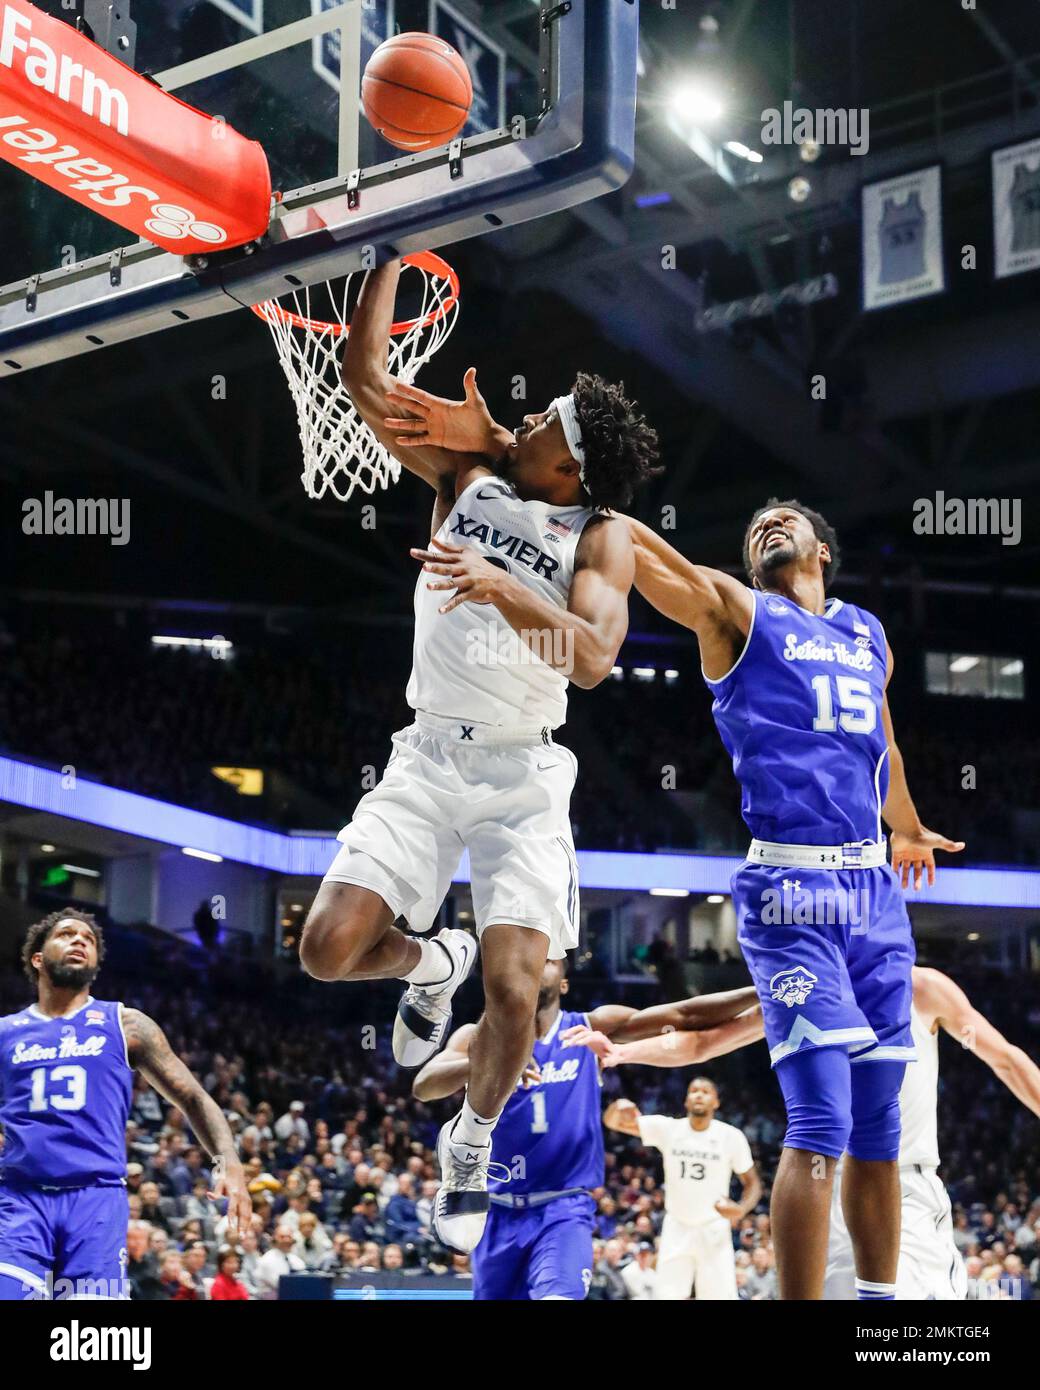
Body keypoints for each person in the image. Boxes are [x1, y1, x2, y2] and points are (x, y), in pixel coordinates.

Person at [382, 388, 967, 1298]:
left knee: (881, 1126)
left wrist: (906, 822)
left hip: (873, 895)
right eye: (756, 526)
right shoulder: (734, 610)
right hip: (792, 891)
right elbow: (640, 551)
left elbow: (881, 737)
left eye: (784, 522)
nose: (767, 528)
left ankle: (886, 1316)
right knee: (820, 1120)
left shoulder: (868, 634)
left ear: (821, 552)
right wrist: (529, 458)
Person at [299, 257, 660, 1253]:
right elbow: (366, 387)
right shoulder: (470, 471)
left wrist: (496, 584)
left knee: (513, 991)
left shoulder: (602, 537)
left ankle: (471, 1133)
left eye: (546, 417)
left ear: (570, 465)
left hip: (521, 775)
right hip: (424, 755)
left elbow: (589, 660)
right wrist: (380, 261)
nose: (528, 414)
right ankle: (428, 959)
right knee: (326, 951)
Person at [413, 956, 759, 1299]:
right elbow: (424, 1085)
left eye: (548, 958)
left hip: (562, 1208)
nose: (534, 959)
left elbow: (683, 1017)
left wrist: (760, 989)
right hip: (495, 1209)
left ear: (564, 982)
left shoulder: (589, 1028)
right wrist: (486, 1064)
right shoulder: (479, 1037)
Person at [0, 909, 251, 1302]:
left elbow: (193, 1097)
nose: (80, 941)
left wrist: (228, 1162)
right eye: (66, 934)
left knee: (92, 1344)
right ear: (37, 957)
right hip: (20, 1197)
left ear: (97, 961)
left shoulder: (124, 1024)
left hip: (96, 1200)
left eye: (89, 939)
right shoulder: (6, 1033)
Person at [825, 967, 1040, 1300]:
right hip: (827, 1189)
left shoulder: (921, 987)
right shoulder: (810, 981)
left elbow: (1006, 1060)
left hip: (898, 1187)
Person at [604, 1078, 761, 1300]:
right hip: (677, 1225)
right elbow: (612, 1122)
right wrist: (616, 1107)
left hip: (713, 1226)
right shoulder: (669, 1128)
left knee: (720, 1296)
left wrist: (742, 1209)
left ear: (716, 1102)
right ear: (686, 1101)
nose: (699, 1095)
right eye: (694, 1091)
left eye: (706, 1092)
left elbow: (753, 1183)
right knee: (667, 1295)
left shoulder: (731, 1136)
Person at [255, 1225, 305, 1300]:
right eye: (282, 1237)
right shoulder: (267, 1260)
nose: (286, 1240)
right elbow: (279, 1285)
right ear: (274, 1239)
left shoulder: (297, 1260)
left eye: (289, 1237)